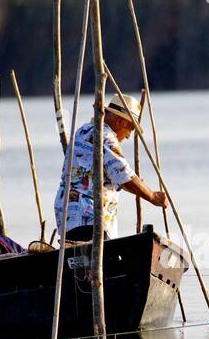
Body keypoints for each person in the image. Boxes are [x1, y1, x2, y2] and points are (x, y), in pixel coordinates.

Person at [53, 92, 168, 242]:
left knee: (81, 260)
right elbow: (124, 175)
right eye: (131, 129)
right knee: (96, 260)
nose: (127, 136)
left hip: (69, 216)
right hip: (87, 215)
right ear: (121, 121)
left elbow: (117, 176)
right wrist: (153, 196)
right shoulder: (105, 136)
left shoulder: (84, 130)